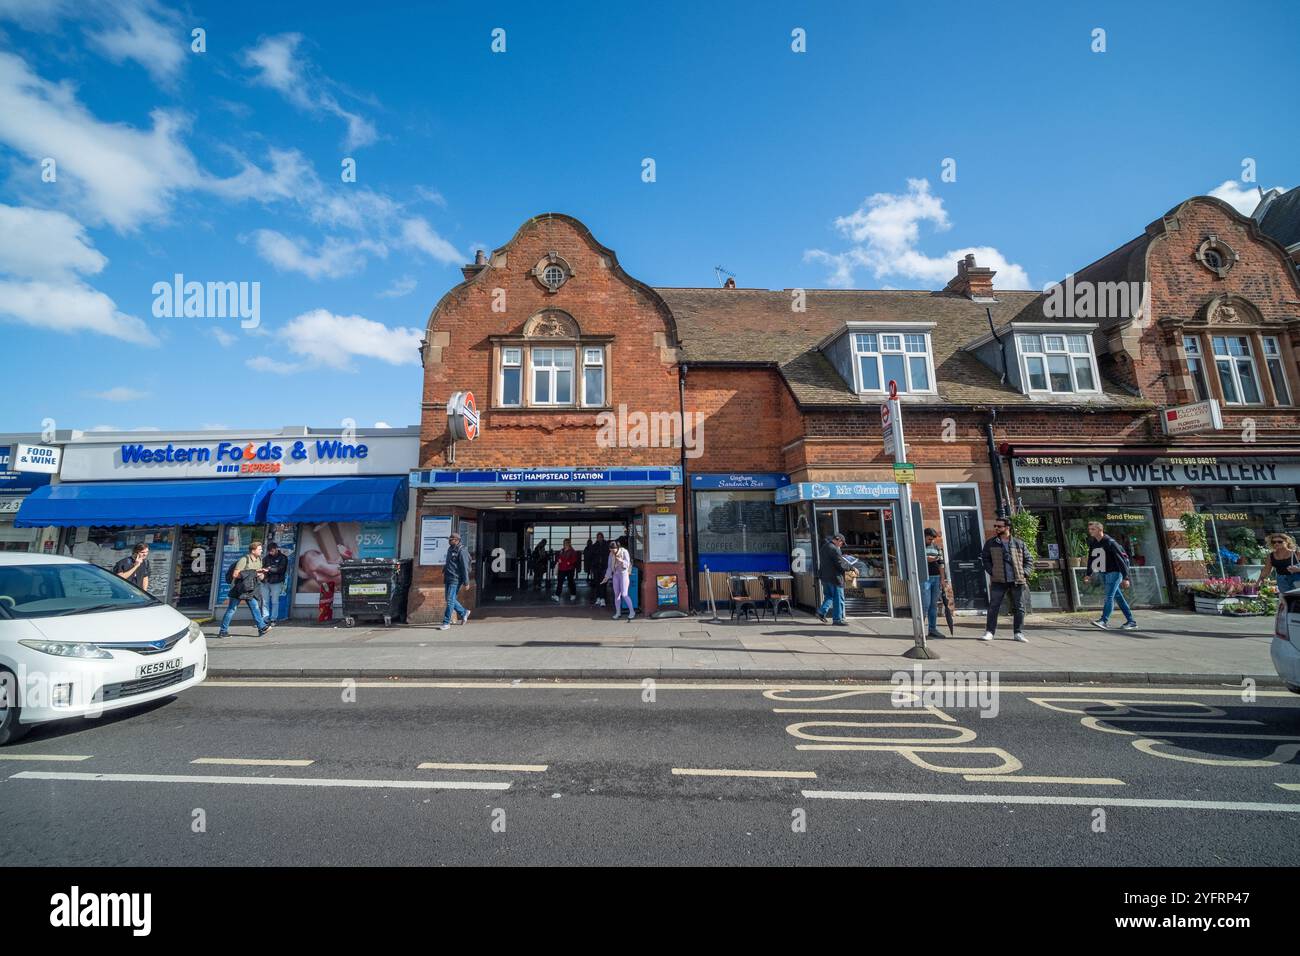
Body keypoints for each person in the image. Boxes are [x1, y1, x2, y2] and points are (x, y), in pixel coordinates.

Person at [979, 518, 1029, 642]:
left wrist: (1025, 573)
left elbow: (1029, 560)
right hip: (999, 580)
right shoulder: (991, 543)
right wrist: (992, 571)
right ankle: (990, 632)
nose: (996, 528)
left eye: (999, 526)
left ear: (1007, 528)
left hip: (1017, 580)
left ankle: (1018, 633)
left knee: (1019, 607)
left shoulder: (1019, 543)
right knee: (993, 607)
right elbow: (985, 559)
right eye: (995, 526)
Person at [1083, 520, 1137, 631]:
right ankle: (1131, 621)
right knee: (1119, 598)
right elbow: (1092, 559)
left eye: (1093, 529)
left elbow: (1121, 560)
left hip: (1115, 572)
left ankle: (1104, 620)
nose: (1090, 531)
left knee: (1109, 596)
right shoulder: (1094, 543)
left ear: (1100, 530)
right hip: (1104, 572)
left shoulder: (1110, 542)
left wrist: (1126, 577)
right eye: (1089, 529)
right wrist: (1088, 574)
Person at [217, 539, 268, 638]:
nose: (261, 551)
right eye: (259, 549)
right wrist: (253, 572)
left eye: (261, 549)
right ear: (253, 551)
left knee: (255, 607)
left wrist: (262, 574)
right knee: (232, 609)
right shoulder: (244, 559)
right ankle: (223, 631)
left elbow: (257, 574)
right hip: (239, 588)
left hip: (249, 589)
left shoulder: (259, 560)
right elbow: (235, 574)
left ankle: (262, 628)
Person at [816, 532, 853, 626]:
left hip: (824, 576)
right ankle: (838, 619)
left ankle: (821, 612)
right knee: (838, 598)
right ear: (838, 540)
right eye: (842, 542)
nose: (842, 545)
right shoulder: (834, 549)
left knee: (829, 596)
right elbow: (840, 565)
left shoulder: (824, 547)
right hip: (834, 578)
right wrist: (851, 567)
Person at [438, 531, 471, 630]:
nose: (449, 541)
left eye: (451, 540)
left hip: (456, 578)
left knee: (450, 601)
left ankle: (446, 622)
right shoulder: (450, 548)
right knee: (448, 599)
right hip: (448, 577)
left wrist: (466, 582)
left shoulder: (462, 551)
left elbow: (464, 567)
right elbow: (450, 562)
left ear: (456, 540)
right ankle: (464, 612)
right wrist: (444, 569)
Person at [603, 535, 635, 620]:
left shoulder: (624, 552)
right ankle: (618, 612)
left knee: (624, 594)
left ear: (617, 547)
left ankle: (632, 611)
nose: (612, 551)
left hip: (623, 573)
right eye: (610, 550)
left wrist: (621, 561)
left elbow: (628, 564)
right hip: (615, 574)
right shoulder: (611, 554)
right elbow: (609, 566)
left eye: (613, 549)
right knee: (617, 594)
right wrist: (606, 576)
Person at [922, 528, 946, 639]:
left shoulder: (937, 547)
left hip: (936, 578)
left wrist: (942, 579)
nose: (931, 541)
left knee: (933, 605)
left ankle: (932, 629)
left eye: (932, 539)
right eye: (929, 539)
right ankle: (920, 629)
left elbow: (941, 564)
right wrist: (927, 559)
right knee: (925, 605)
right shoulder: (920, 547)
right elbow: (917, 559)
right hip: (925, 578)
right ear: (924, 536)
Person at [260, 540, 289, 627]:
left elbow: (281, 570)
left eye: (272, 551)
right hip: (265, 581)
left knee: (275, 601)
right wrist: (266, 570)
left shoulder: (283, 558)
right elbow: (262, 567)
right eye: (269, 551)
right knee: (265, 601)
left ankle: (273, 619)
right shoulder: (266, 558)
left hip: (276, 582)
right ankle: (265, 619)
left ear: (276, 549)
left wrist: (269, 569)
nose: (271, 553)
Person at [586, 532, 610, 607]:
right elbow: (590, 556)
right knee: (597, 583)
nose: (599, 538)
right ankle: (598, 598)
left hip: (604, 567)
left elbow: (610, 555)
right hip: (596, 567)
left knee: (603, 583)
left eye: (600, 537)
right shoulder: (594, 546)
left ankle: (603, 599)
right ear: (597, 538)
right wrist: (591, 566)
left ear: (602, 537)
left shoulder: (606, 545)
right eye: (598, 537)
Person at [553, 538, 579, 602]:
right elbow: (558, 556)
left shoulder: (572, 551)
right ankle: (557, 595)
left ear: (569, 543)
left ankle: (573, 594)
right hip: (562, 569)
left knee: (570, 582)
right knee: (560, 582)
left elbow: (574, 559)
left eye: (566, 543)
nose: (565, 544)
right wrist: (558, 559)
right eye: (564, 543)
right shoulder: (562, 550)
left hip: (569, 569)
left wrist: (569, 562)